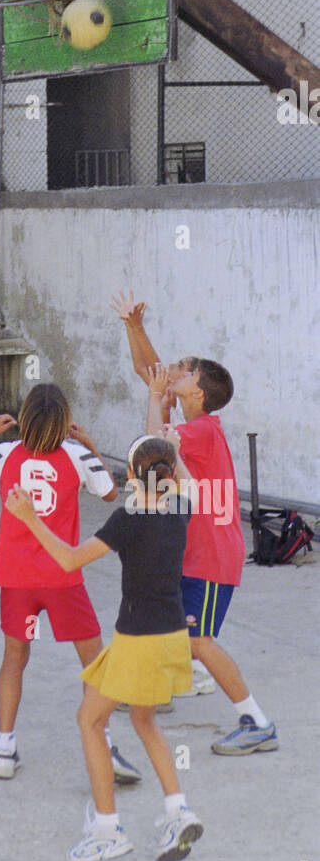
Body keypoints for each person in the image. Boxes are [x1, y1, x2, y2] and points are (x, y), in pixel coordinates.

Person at [5, 432, 204, 861]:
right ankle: (178, 811)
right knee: (144, 720)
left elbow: (69, 560)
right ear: (170, 475)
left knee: (90, 720)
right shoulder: (180, 507)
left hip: (137, 640)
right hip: (172, 637)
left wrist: (29, 518)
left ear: (130, 475)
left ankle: (107, 828)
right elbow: (188, 483)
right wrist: (173, 449)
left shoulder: (126, 519)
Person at [112, 290, 278, 754]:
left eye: (184, 372)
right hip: (193, 552)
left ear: (197, 392)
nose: (173, 373)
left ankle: (256, 721)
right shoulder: (193, 422)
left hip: (211, 557)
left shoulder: (198, 431)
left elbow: (151, 449)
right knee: (163, 620)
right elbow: (152, 373)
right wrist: (133, 327)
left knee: (198, 640)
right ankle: (158, 687)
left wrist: (153, 392)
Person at [0, 385, 141, 786]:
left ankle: (3, 748)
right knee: (93, 662)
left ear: (23, 418)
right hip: (62, 578)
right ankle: (105, 745)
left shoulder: (3, 453)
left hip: (17, 580)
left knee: (14, 657)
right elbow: (110, 493)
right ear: (64, 422)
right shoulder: (75, 456)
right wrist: (91, 445)